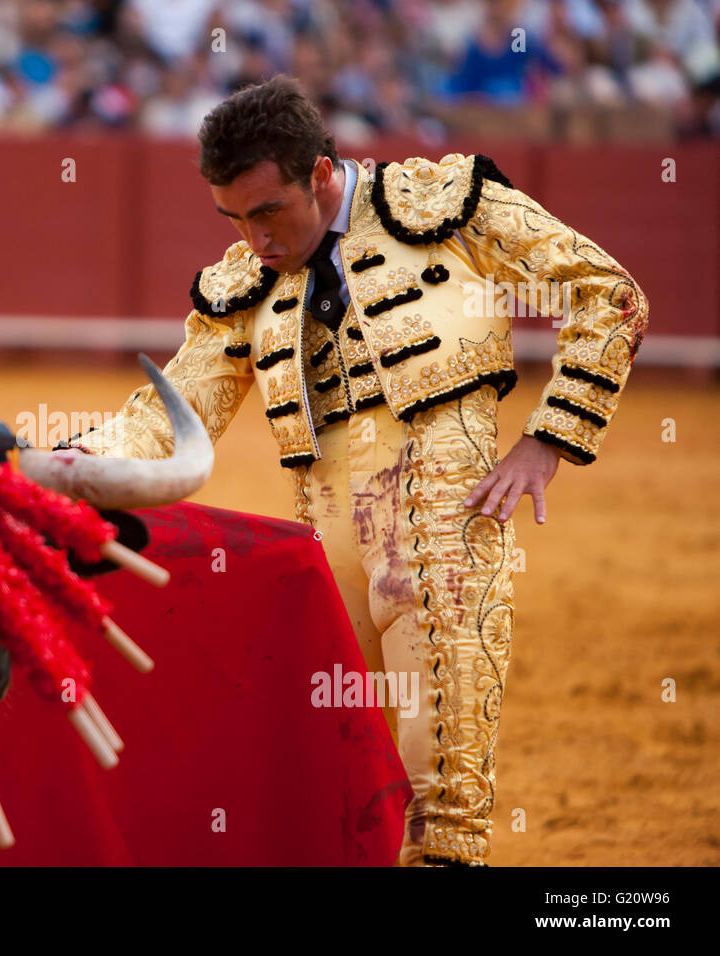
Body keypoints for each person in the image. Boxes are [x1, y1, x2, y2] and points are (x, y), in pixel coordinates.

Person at [63, 75, 648, 866]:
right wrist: (72, 462)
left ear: (322, 174)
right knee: (345, 796)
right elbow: (170, 415)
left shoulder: (443, 205)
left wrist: (548, 438)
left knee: (443, 802)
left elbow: (608, 294)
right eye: (233, 218)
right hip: (325, 563)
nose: (255, 239)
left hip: (445, 535)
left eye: (268, 211)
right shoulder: (244, 285)